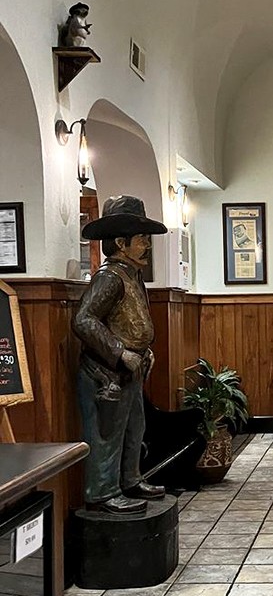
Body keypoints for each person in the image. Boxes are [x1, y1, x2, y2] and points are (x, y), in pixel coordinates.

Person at [73, 196, 167, 514]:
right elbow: (84, 320)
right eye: (142, 239)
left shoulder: (131, 276)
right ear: (121, 243)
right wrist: (119, 352)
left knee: (134, 428)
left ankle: (130, 479)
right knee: (107, 434)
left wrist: (144, 351)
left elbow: (131, 322)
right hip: (106, 374)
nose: (147, 246)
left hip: (130, 369)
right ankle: (102, 491)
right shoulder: (109, 278)